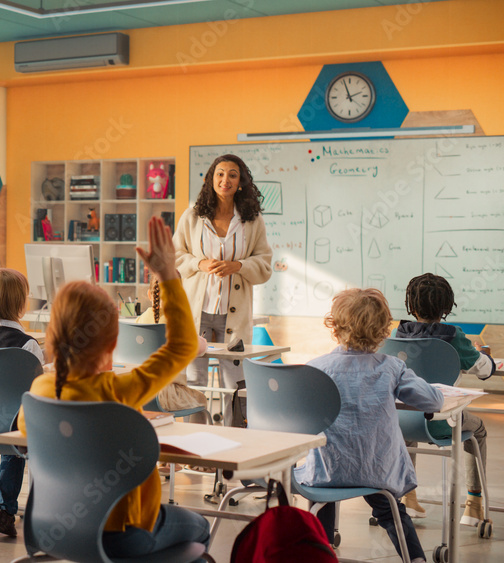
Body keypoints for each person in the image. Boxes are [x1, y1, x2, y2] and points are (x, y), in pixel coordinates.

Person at [18, 217, 211, 559]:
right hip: (123, 534)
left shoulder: (39, 392)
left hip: (53, 526)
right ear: (112, 340)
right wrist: (168, 275)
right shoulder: (120, 390)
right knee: (200, 528)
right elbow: (182, 346)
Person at [295, 288, 443, 563]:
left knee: (322, 498)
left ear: (335, 327)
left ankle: (322, 550)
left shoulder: (316, 368)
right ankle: (416, 559)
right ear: (384, 331)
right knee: (389, 510)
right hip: (376, 471)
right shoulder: (391, 367)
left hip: (327, 471)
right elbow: (433, 402)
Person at [172, 154, 272, 418]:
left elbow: (264, 264)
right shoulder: (192, 216)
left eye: (232, 174)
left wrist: (238, 266)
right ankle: (194, 448)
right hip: (197, 311)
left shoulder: (252, 219)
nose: (224, 180)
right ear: (210, 179)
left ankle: (235, 442)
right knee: (194, 381)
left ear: (240, 182)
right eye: (219, 174)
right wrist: (199, 263)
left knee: (235, 385)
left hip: (234, 315)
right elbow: (175, 255)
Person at [395, 273, 494, 523]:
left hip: (402, 418)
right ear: (446, 307)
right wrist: (487, 359)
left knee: (408, 433)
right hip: (442, 421)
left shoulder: (399, 333)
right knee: (478, 430)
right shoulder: (453, 336)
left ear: (412, 305)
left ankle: (408, 496)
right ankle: (473, 504)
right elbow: (484, 369)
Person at [0, 268, 45, 538]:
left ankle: (5, 509)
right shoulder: (28, 346)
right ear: (21, 303)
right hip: (16, 431)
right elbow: (38, 392)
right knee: (27, 430)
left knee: (13, 430)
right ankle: (41, 508)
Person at [137, 276, 209, 414]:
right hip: (167, 394)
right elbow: (199, 348)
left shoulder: (140, 319)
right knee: (201, 399)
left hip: (140, 391)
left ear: (149, 294)